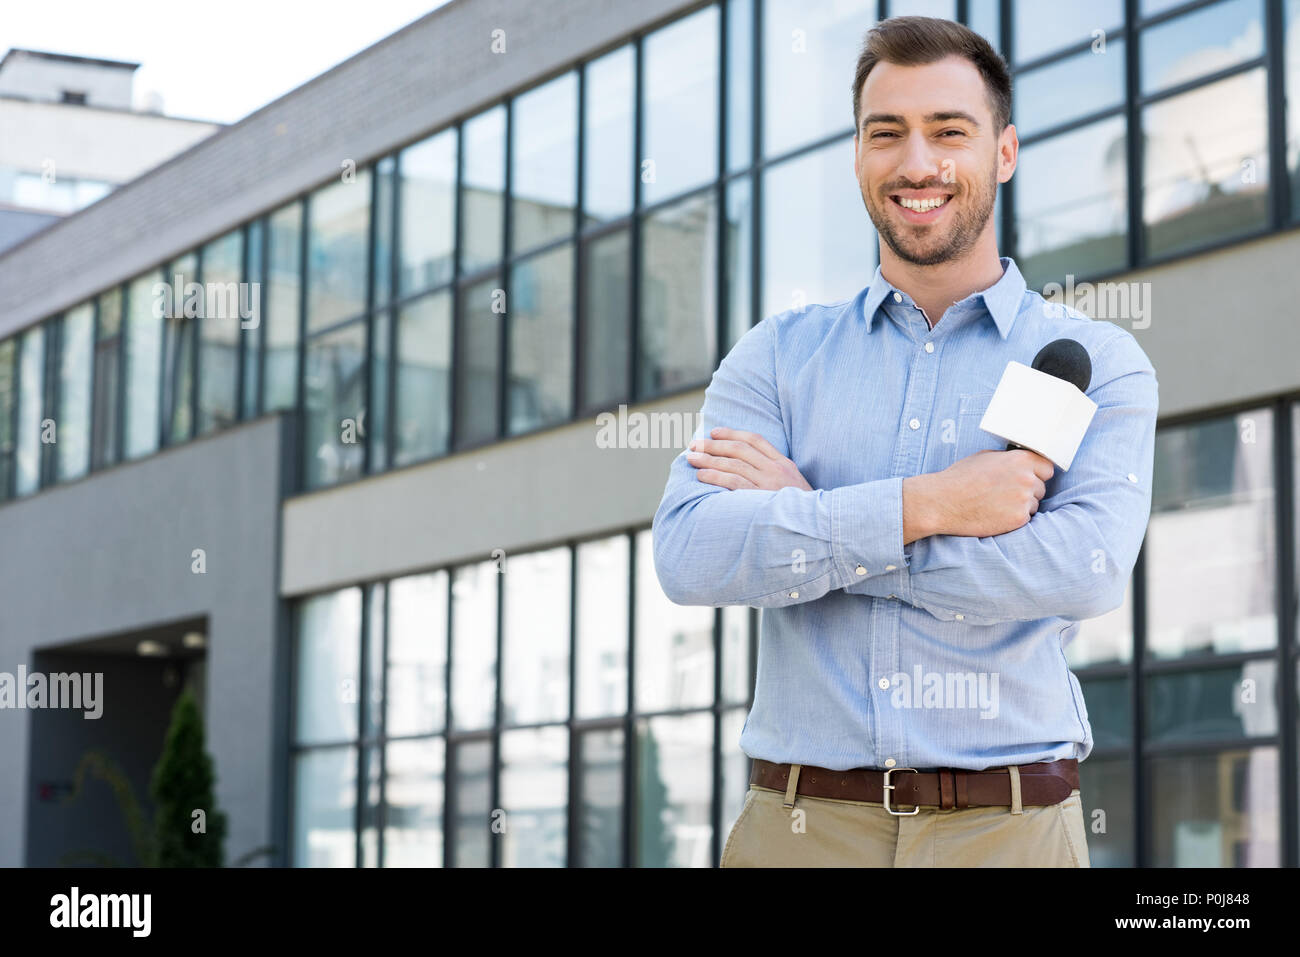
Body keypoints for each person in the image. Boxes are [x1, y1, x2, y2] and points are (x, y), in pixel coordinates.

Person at [650, 15, 1158, 867]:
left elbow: (1083, 568)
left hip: (1009, 828)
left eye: (949, 131)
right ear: (858, 156)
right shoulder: (777, 356)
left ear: (1004, 153)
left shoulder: (1096, 361)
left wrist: (814, 519)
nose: (917, 164)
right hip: (799, 827)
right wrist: (932, 505)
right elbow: (691, 554)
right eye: (887, 134)